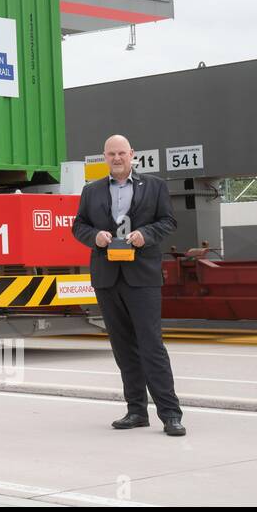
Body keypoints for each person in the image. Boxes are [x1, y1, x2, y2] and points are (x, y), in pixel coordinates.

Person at [73, 134, 185, 436]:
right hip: (107, 278)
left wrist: (145, 235)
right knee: (123, 348)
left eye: (122, 153)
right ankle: (136, 411)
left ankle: (171, 414)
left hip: (142, 277)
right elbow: (78, 225)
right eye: (111, 154)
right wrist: (93, 236)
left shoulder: (155, 186)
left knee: (151, 345)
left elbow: (169, 222)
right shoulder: (91, 191)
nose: (117, 158)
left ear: (132, 154)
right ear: (104, 157)